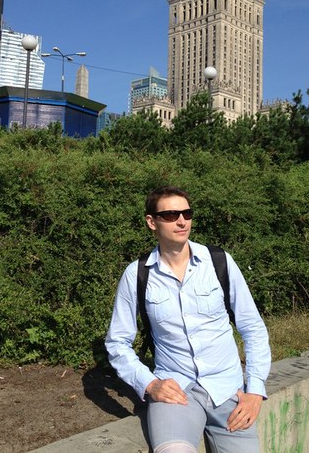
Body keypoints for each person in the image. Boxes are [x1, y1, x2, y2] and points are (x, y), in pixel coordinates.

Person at [105, 185, 271, 453]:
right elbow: (117, 343)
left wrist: (255, 390)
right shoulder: (137, 274)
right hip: (176, 394)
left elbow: (252, 328)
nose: (182, 221)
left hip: (229, 392)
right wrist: (150, 384)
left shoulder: (219, 262)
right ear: (152, 222)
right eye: (171, 215)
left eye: (187, 213)